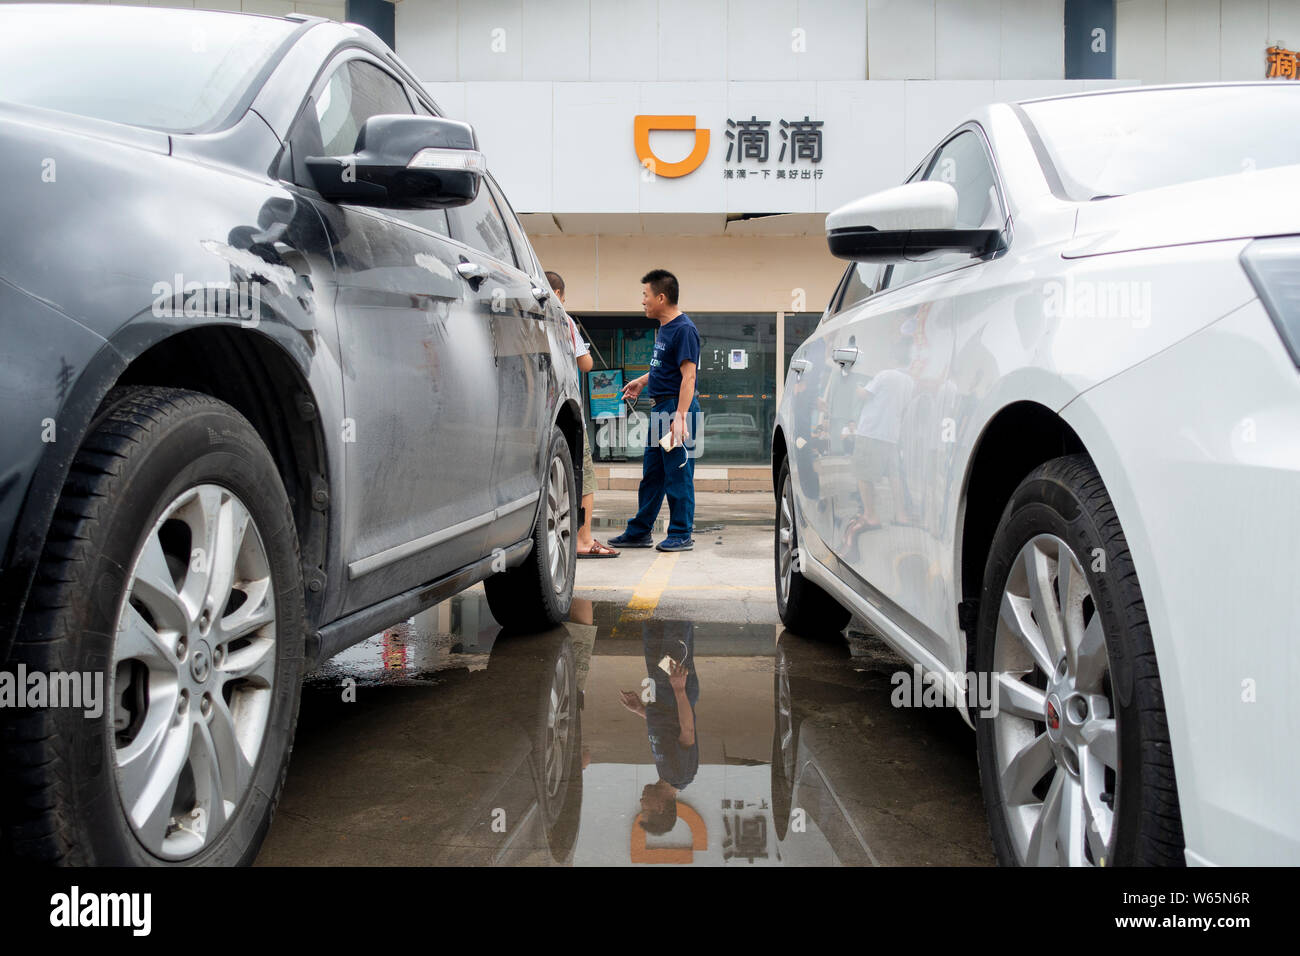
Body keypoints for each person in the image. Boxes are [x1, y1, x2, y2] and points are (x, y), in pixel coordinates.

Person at [607, 269, 701, 552]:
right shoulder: (666, 329)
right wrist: (641, 381)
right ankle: (640, 531)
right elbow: (665, 368)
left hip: (675, 410)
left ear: (661, 297)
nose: (643, 301)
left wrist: (681, 418)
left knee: (678, 473)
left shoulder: (684, 329)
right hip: (661, 410)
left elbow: (689, 377)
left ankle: (681, 533)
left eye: (645, 296)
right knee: (653, 475)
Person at [546, 270, 619, 559]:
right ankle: (583, 539)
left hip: (542, 414)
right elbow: (586, 364)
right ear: (561, 295)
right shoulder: (564, 320)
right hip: (567, 411)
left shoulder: (529, 319)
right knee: (583, 476)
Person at [619, 620, 698, 835]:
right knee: (675, 623)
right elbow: (687, 732)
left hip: (663, 688)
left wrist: (639, 710)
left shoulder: (666, 774)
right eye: (646, 808)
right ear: (660, 808)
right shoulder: (679, 775)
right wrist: (680, 690)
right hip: (672, 689)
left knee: (654, 628)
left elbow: (665, 729)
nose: (641, 801)